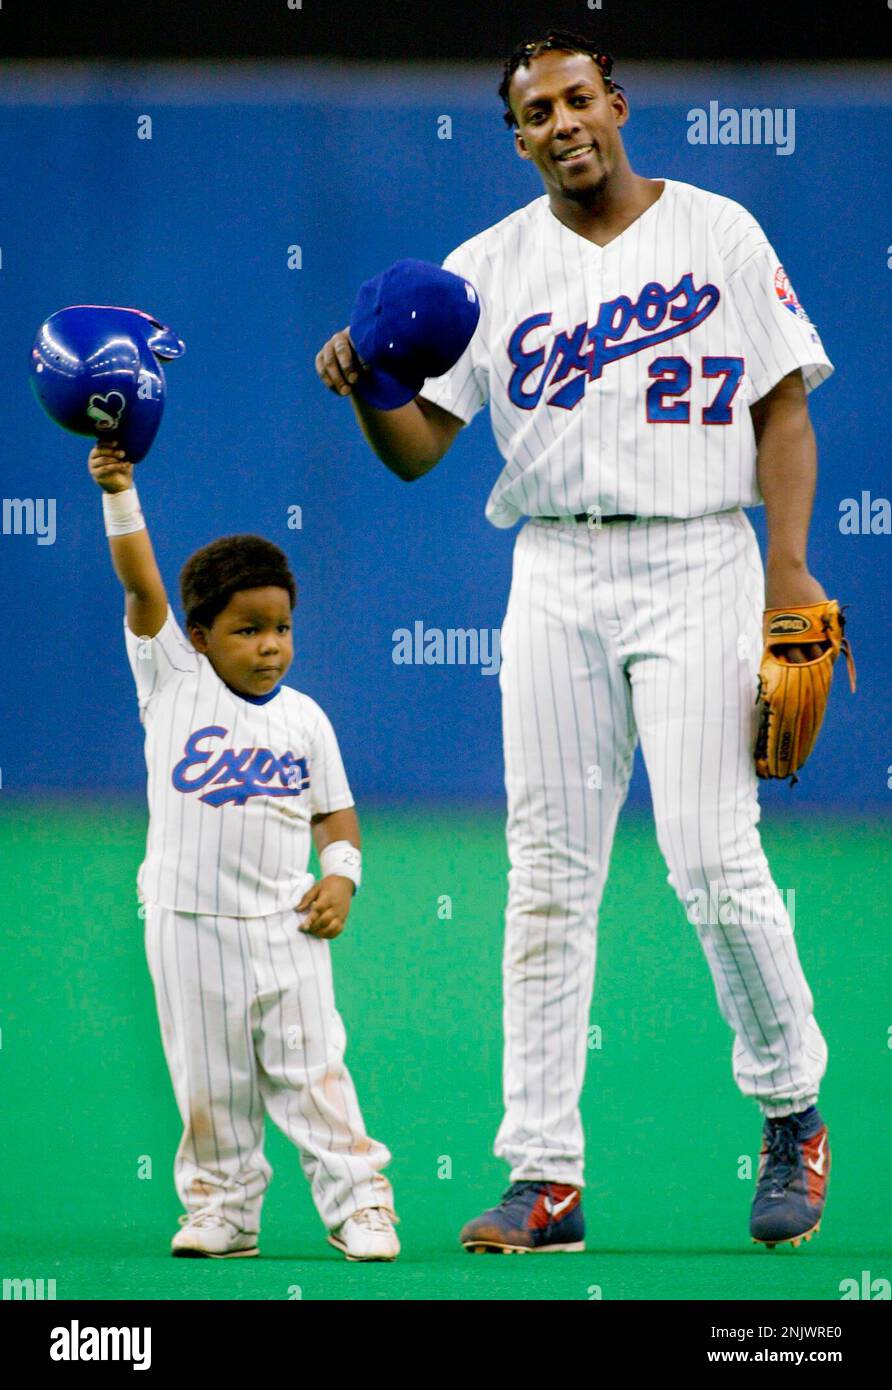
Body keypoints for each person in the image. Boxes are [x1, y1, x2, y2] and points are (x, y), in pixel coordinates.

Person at [315, 28, 834, 1254]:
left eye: (576, 98)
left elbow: (783, 405)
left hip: (700, 552)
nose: (560, 122)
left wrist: (789, 563)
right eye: (534, 111)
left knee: (712, 855)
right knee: (546, 877)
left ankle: (789, 1110)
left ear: (617, 102)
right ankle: (544, 1177)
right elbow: (420, 450)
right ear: (515, 137)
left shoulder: (715, 231)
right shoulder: (485, 268)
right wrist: (367, 388)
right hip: (552, 568)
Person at [88, 441, 399, 1261]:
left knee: (314, 1076)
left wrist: (343, 878)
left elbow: (336, 815)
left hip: (285, 928)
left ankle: (362, 1204)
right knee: (210, 1085)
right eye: (247, 629)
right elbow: (140, 583)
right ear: (197, 635)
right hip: (186, 925)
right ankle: (223, 1210)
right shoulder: (173, 681)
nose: (270, 645)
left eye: (282, 627)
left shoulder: (305, 718)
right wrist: (121, 490)